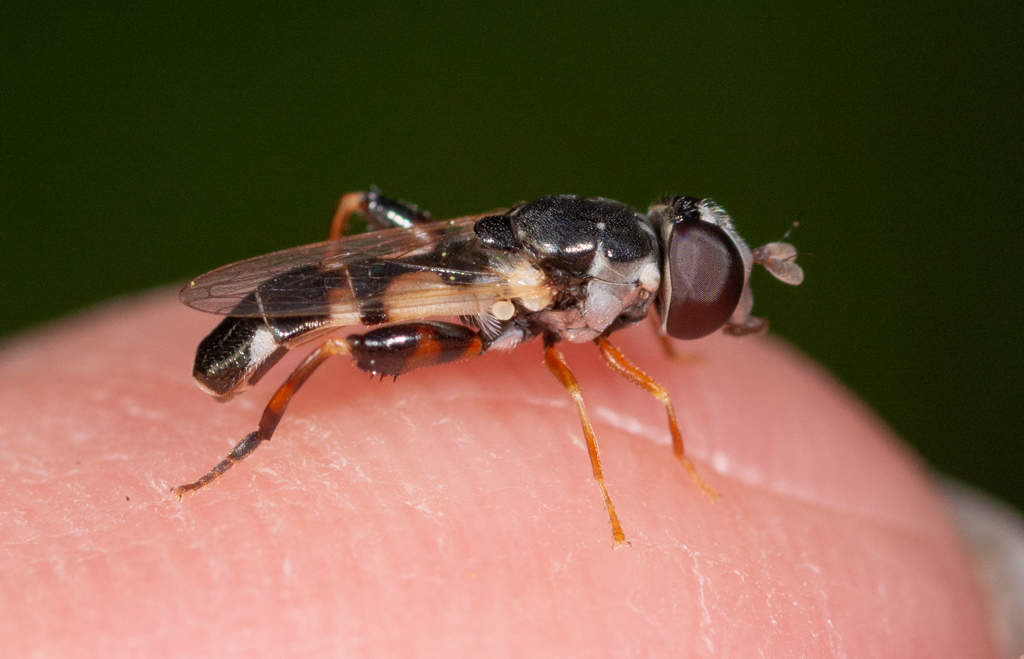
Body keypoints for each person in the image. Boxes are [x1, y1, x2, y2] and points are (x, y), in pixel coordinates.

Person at [0, 291, 1000, 656]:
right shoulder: (589, 307)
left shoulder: (604, 283)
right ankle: (254, 440)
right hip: (454, 296)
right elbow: (578, 375)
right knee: (349, 342)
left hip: (460, 279)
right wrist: (619, 493)